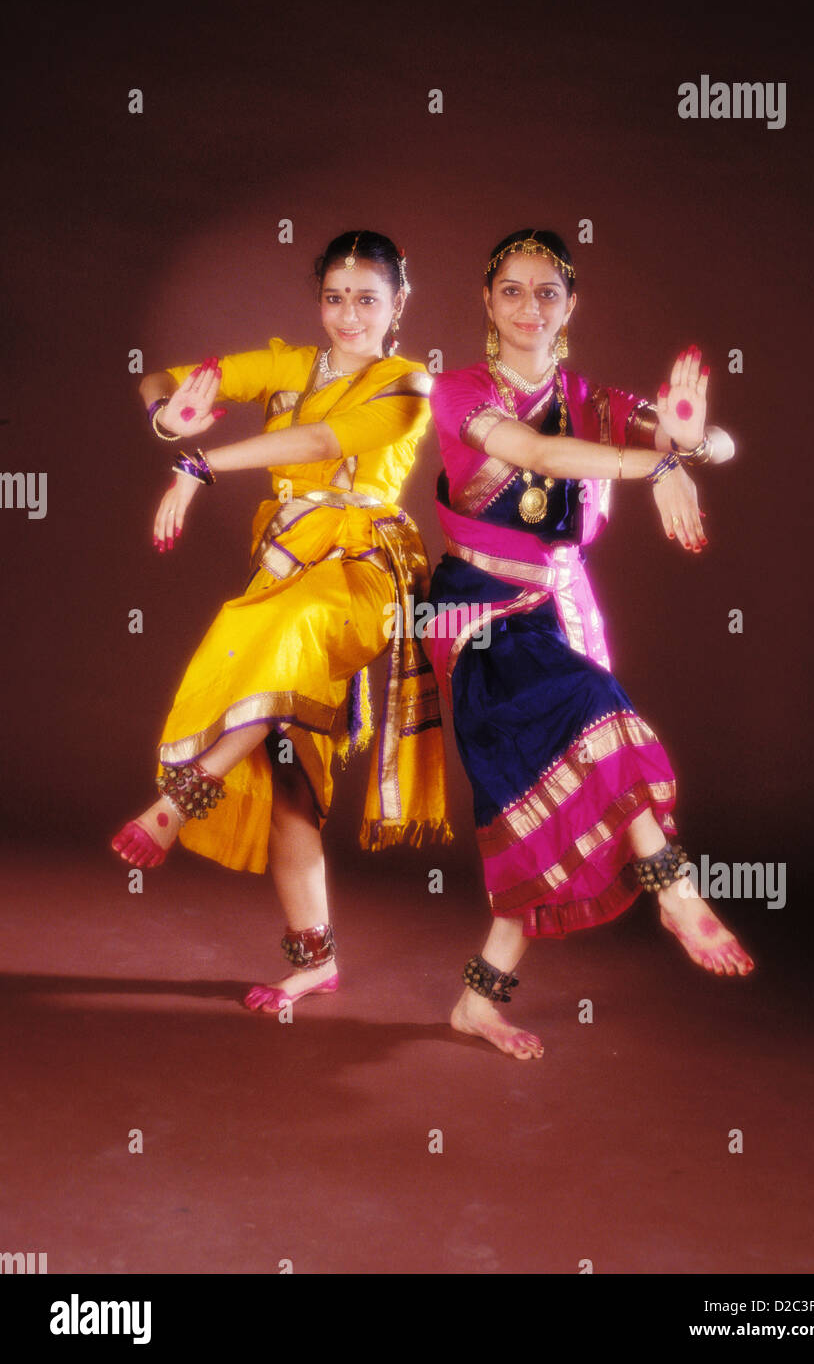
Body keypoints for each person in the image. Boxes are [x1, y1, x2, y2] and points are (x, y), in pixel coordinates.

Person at [424, 229, 753, 1060]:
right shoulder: (458, 391)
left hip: (561, 610)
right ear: (486, 302)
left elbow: (709, 445)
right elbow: (532, 453)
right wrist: (654, 466)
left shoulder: (591, 397)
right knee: (592, 710)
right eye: (512, 290)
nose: (530, 307)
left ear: (571, 305)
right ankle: (673, 887)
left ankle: (477, 1001)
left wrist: (692, 441)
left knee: (542, 797)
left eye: (547, 292)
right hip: (481, 617)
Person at [112, 230, 450, 1012]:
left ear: (399, 304)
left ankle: (189, 790)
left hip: (367, 572)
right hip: (287, 563)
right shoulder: (291, 366)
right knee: (290, 762)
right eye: (334, 297)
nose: (349, 315)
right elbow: (162, 379)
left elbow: (325, 439)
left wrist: (202, 465)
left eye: (368, 299)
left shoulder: (408, 384)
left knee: (293, 626)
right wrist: (175, 416)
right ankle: (315, 960)